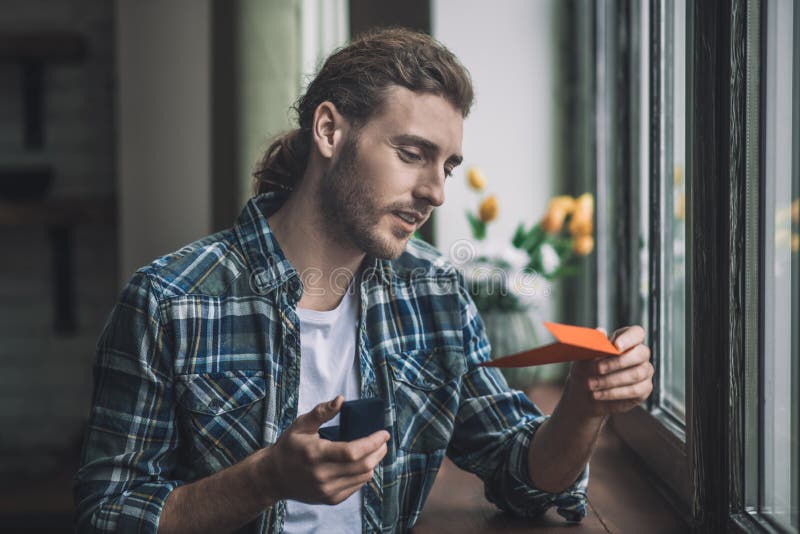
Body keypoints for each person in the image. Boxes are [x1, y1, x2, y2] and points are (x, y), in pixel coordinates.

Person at [74, 27, 653, 533]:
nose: (436, 191)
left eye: (446, 165)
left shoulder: (436, 295)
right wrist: (264, 479)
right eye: (411, 154)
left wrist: (584, 404)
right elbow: (108, 514)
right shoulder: (168, 303)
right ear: (330, 131)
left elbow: (520, 473)